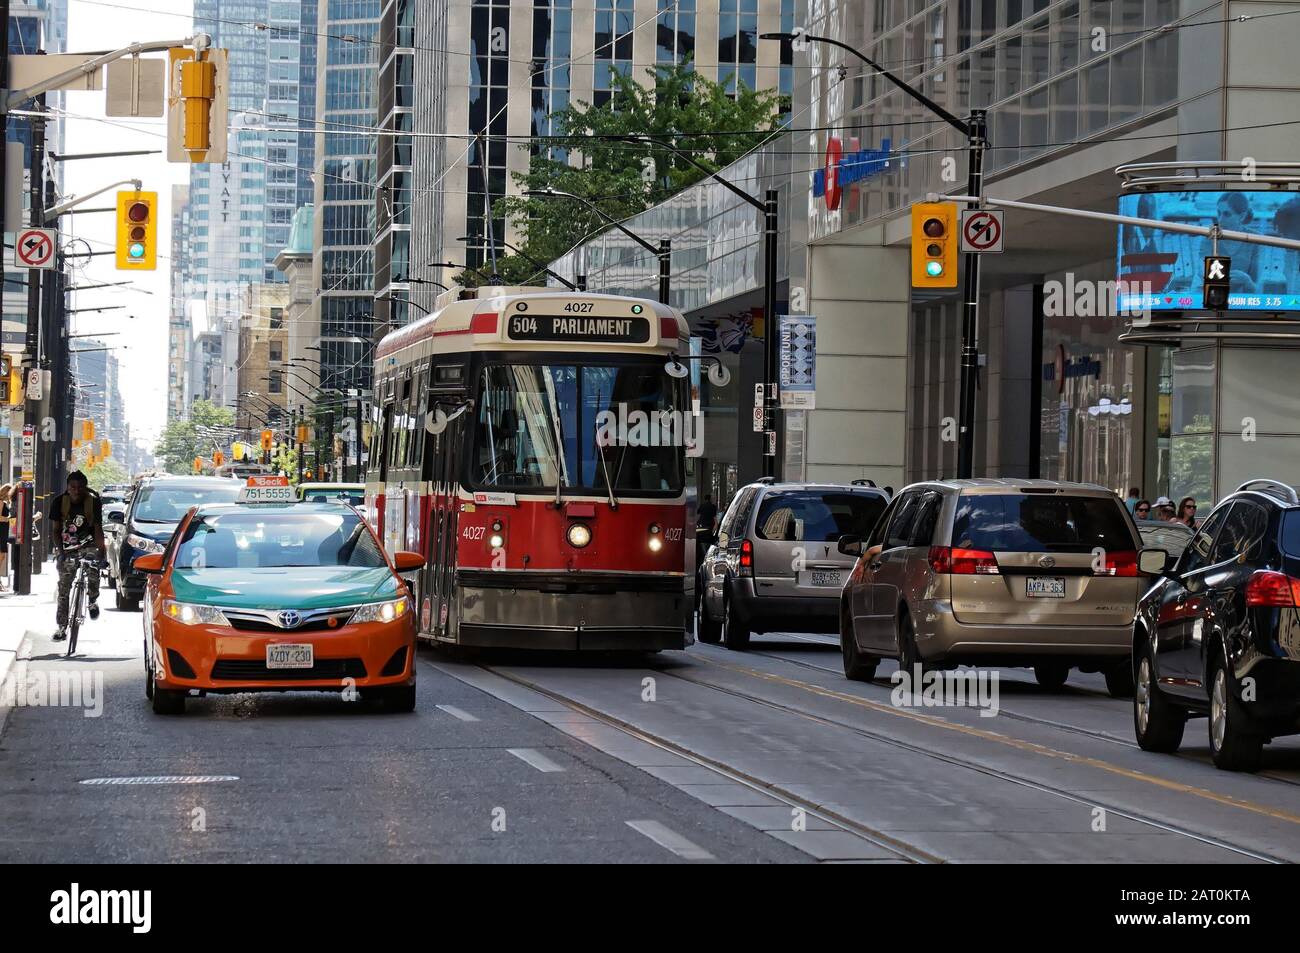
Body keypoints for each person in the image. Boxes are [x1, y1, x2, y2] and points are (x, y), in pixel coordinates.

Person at [49, 470, 105, 640]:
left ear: (85, 487)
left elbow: (97, 529)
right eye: (73, 487)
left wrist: (101, 555)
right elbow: (56, 531)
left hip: (89, 544)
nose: (76, 490)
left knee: (93, 570)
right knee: (64, 587)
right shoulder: (59, 502)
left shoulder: (93, 502)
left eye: (80, 487)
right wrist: (61, 553)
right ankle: (61, 627)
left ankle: (93, 600)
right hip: (67, 547)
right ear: (67, 487)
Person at [696, 492, 719, 566]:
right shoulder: (713, 507)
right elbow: (715, 521)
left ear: (705, 499)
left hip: (701, 530)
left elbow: (698, 517)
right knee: (709, 547)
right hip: (709, 530)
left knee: (701, 548)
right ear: (710, 499)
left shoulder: (702, 506)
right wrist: (713, 531)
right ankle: (707, 561)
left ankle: (702, 561)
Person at [0, 483, 11, 592]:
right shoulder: (1, 502)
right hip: (1, 530)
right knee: (1, 556)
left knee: (2, 556)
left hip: (3, 531)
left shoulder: (5, 502)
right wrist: (9, 519)